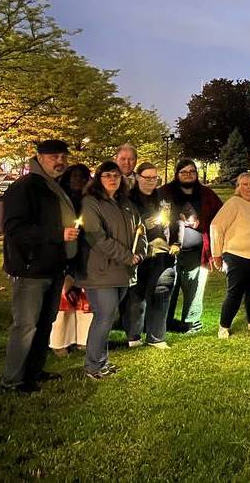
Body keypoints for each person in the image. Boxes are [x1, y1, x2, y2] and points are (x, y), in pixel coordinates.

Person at [0, 140, 80, 393]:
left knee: (45, 322)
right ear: (39, 158)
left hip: (53, 267)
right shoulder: (24, 187)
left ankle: (33, 372)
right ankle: (13, 380)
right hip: (30, 269)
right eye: (54, 156)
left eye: (63, 157)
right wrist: (58, 234)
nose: (60, 161)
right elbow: (14, 228)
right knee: (25, 326)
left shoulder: (52, 185)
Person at [79, 161, 147, 379]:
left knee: (107, 316)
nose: (112, 179)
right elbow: (97, 238)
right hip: (100, 271)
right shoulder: (91, 203)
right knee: (105, 315)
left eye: (116, 175)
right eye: (106, 175)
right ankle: (93, 366)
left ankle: (101, 361)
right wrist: (128, 256)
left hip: (123, 271)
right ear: (98, 178)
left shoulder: (126, 203)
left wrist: (140, 253)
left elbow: (140, 231)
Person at [160, 158, 223, 333]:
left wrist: (200, 222)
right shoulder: (165, 192)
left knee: (194, 287)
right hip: (168, 251)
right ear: (177, 174)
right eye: (184, 172)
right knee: (167, 287)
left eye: (192, 172)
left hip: (196, 251)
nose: (188, 175)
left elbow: (220, 217)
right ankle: (164, 320)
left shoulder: (206, 195)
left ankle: (191, 321)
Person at [210, 172, 250, 339]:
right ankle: (224, 325)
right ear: (238, 187)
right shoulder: (234, 203)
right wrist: (217, 253)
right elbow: (216, 226)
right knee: (235, 292)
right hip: (237, 255)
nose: (249, 188)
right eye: (244, 184)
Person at [122, 162, 175, 349]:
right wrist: (144, 225)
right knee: (136, 296)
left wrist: (175, 242)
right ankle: (134, 336)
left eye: (155, 178)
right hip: (139, 253)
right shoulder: (128, 199)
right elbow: (124, 226)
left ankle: (156, 337)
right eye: (147, 177)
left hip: (161, 252)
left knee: (161, 291)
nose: (151, 181)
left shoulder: (163, 198)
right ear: (137, 177)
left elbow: (174, 222)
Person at [49, 163, 93, 357]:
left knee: (85, 301)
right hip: (65, 254)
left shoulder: (90, 200)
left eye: (82, 177)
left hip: (86, 255)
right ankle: (59, 342)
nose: (78, 181)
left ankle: (84, 339)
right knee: (63, 301)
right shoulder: (61, 200)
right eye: (73, 177)